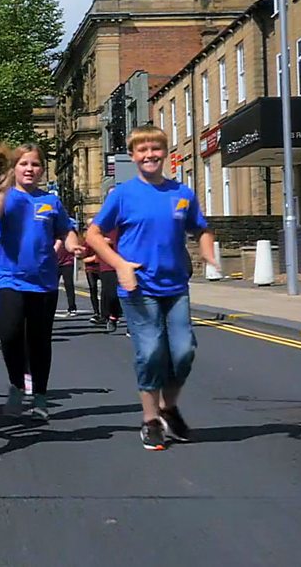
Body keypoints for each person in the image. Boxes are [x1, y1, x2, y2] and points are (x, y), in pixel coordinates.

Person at [86, 125, 216, 451]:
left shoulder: (182, 194)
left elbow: (201, 228)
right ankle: (149, 420)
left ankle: (168, 408)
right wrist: (119, 264)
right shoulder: (123, 195)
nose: (149, 155)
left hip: (175, 287)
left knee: (184, 351)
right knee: (151, 353)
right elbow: (93, 234)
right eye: (142, 150)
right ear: (133, 156)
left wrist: (207, 249)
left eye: (155, 149)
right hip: (138, 286)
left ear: (165, 153)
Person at [0, 143, 83, 421]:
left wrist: (73, 244)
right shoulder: (4, 198)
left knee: (39, 340)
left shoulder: (51, 201)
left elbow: (66, 229)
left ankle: (40, 395)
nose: (30, 169)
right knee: (10, 332)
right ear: (14, 168)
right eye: (24, 164)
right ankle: (17, 384)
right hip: (8, 278)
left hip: (43, 282)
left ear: (42, 170)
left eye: (35, 164)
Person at [55, 238, 78, 316]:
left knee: (69, 285)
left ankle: (72, 308)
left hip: (67, 263)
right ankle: (50, 307)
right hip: (54, 264)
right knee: (53, 287)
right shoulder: (52, 234)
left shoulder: (69, 235)